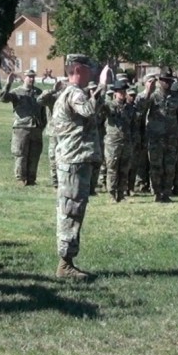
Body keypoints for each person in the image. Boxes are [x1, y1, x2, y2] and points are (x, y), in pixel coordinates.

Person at [50, 54, 108, 278]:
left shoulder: (71, 92)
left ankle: (67, 262)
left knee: (72, 209)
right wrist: (103, 85)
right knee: (71, 210)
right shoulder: (74, 93)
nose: (92, 72)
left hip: (74, 160)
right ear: (77, 70)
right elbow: (89, 111)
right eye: (89, 68)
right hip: (74, 161)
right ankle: (65, 264)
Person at [136, 72, 178, 202]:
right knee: (156, 167)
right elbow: (141, 109)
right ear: (160, 81)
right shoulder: (152, 96)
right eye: (165, 80)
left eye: (170, 81)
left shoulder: (176, 98)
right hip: (155, 138)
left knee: (170, 167)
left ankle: (166, 193)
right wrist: (147, 92)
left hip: (171, 138)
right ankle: (156, 193)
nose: (167, 83)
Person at [0, 68, 47, 186]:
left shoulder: (39, 93)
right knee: (21, 153)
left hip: (36, 128)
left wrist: (42, 125)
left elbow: (43, 112)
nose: (31, 79)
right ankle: (20, 178)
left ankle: (31, 179)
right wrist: (8, 84)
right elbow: (3, 98)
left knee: (34, 154)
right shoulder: (17, 92)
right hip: (21, 128)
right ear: (24, 78)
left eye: (33, 77)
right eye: (29, 76)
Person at [100, 78, 134, 202]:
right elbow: (101, 107)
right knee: (112, 168)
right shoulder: (109, 105)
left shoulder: (129, 107)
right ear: (115, 93)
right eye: (119, 91)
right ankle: (112, 193)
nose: (122, 94)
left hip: (126, 141)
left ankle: (121, 193)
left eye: (124, 91)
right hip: (112, 142)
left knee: (124, 169)